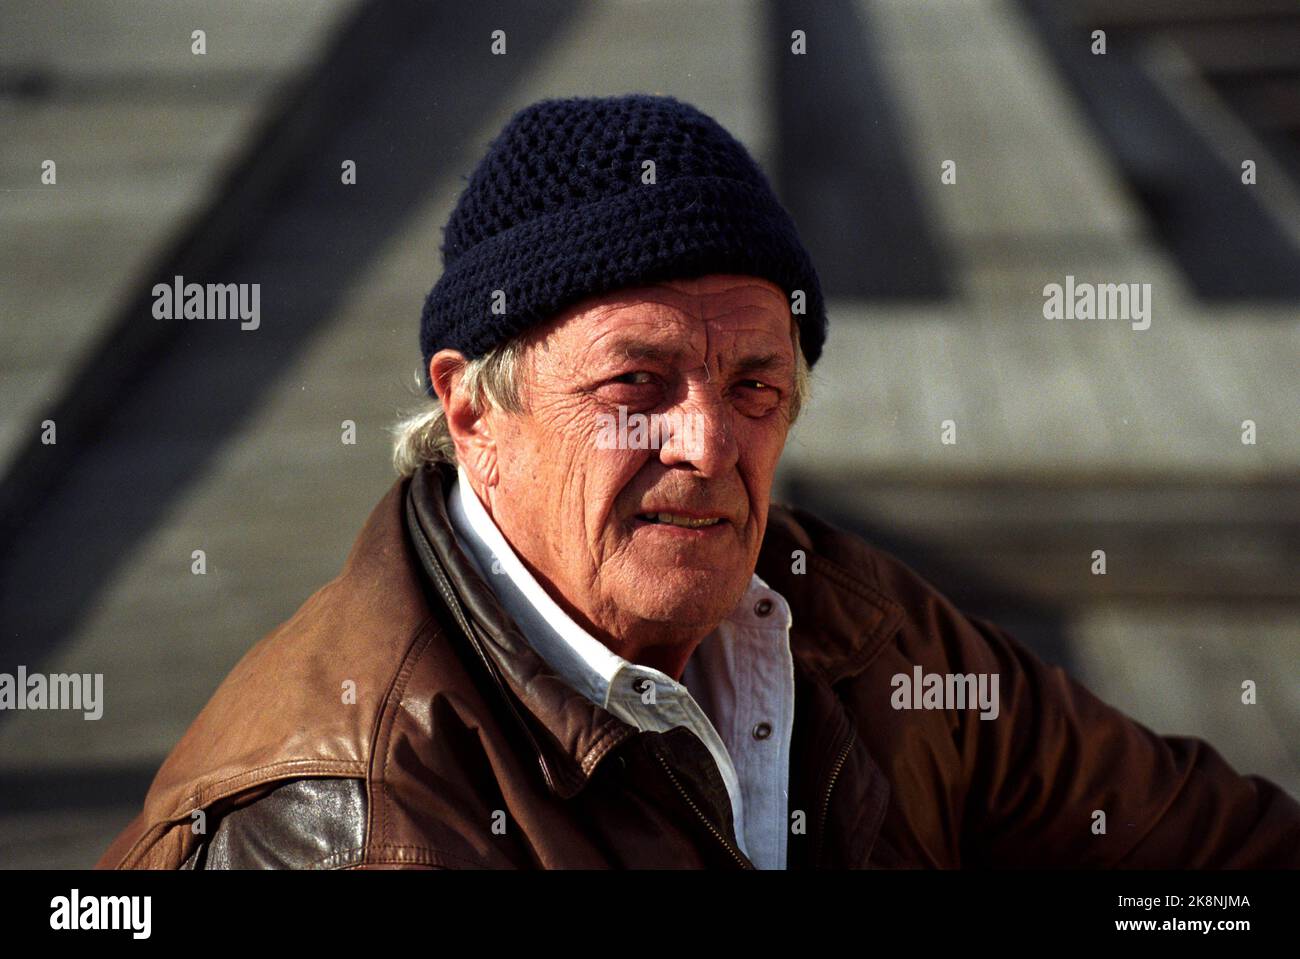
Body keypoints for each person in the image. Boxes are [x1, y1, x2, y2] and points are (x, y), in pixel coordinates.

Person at [97, 94, 1300, 870]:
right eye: (638, 382)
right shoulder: (338, 824)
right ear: (474, 411)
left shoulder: (856, 626)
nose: (710, 444)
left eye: (755, 387)